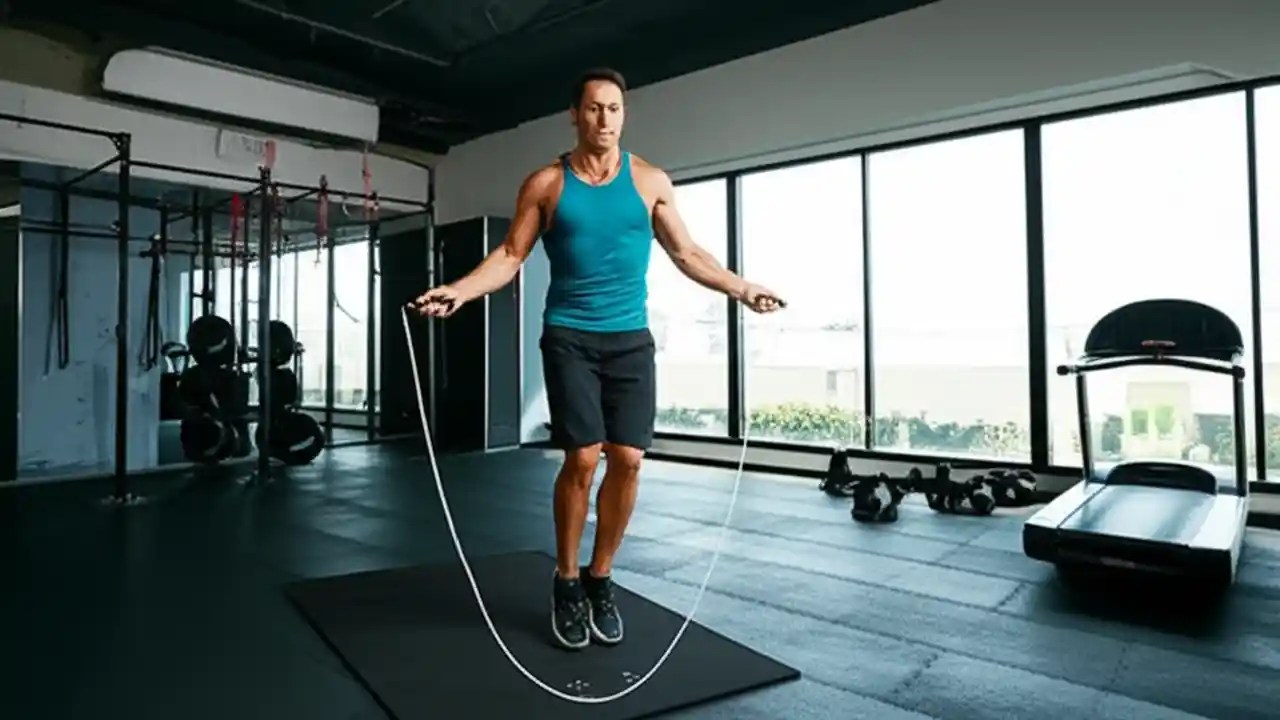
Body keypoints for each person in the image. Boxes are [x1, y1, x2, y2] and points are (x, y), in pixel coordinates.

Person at [411, 67, 784, 650]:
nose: (604, 119)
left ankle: (600, 576)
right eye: (593, 109)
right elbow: (511, 255)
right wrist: (459, 290)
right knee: (583, 457)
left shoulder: (650, 181)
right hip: (570, 336)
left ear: (623, 115)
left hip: (630, 338)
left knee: (629, 458)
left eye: (614, 109)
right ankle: (565, 581)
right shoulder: (546, 184)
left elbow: (686, 252)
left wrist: (741, 288)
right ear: (575, 114)